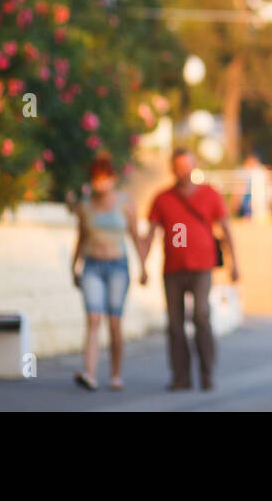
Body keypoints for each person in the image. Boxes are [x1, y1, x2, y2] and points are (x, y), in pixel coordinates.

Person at [140, 148, 239, 391]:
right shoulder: (162, 198)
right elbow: (150, 234)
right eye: (179, 166)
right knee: (174, 324)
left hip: (202, 266)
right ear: (172, 169)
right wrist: (142, 265)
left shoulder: (210, 195)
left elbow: (226, 228)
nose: (183, 171)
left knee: (201, 316)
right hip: (173, 269)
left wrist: (235, 263)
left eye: (187, 166)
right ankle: (180, 376)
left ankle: (207, 373)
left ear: (194, 167)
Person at [69, 155, 145, 391]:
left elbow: (134, 234)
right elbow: (81, 239)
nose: (100, 184)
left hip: (118, 266)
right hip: (92, 265)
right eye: (96, 180)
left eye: (104, 179)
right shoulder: (84, 207)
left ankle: (115, 373)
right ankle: (90, 374)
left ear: (113, 179)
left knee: (114, 322)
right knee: (93, 319)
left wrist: (143, 266)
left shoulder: (125, 202)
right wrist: (74, 266)